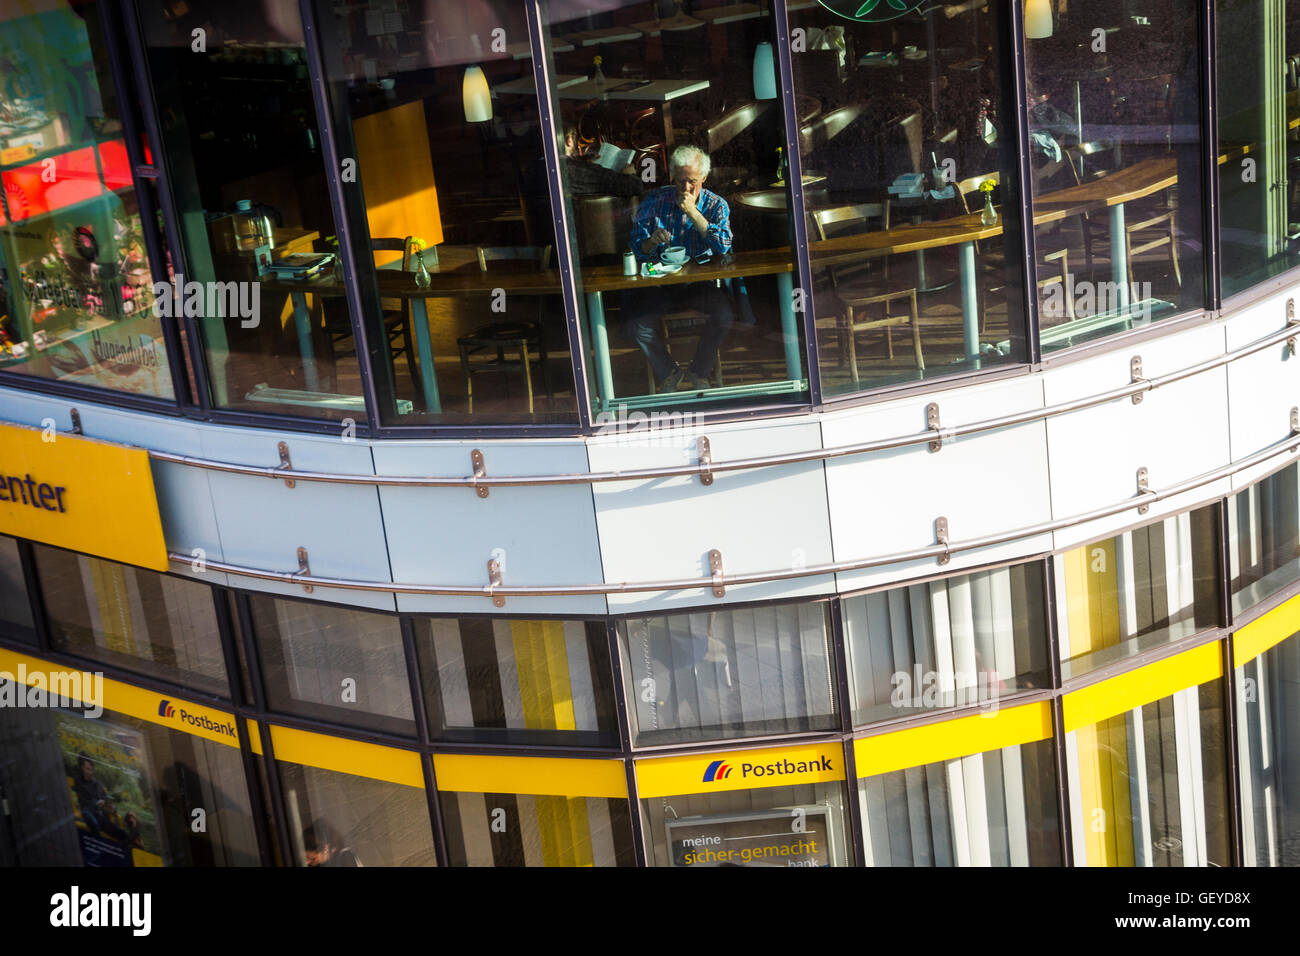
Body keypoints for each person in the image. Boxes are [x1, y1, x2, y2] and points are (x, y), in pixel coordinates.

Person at [625, 144, 734, 392]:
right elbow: (636, 248)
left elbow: (724, 247)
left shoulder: (716, 205)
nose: (686, 188)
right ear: (673, 176)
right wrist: (651, 241)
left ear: (704, 178)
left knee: (724, 316)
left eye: (692, 181)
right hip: (660, 283)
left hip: (700, 283)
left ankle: (699, 371)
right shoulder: (654, 201)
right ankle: (669, 372)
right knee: (637, 325)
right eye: (681, 180)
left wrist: (694, 213)